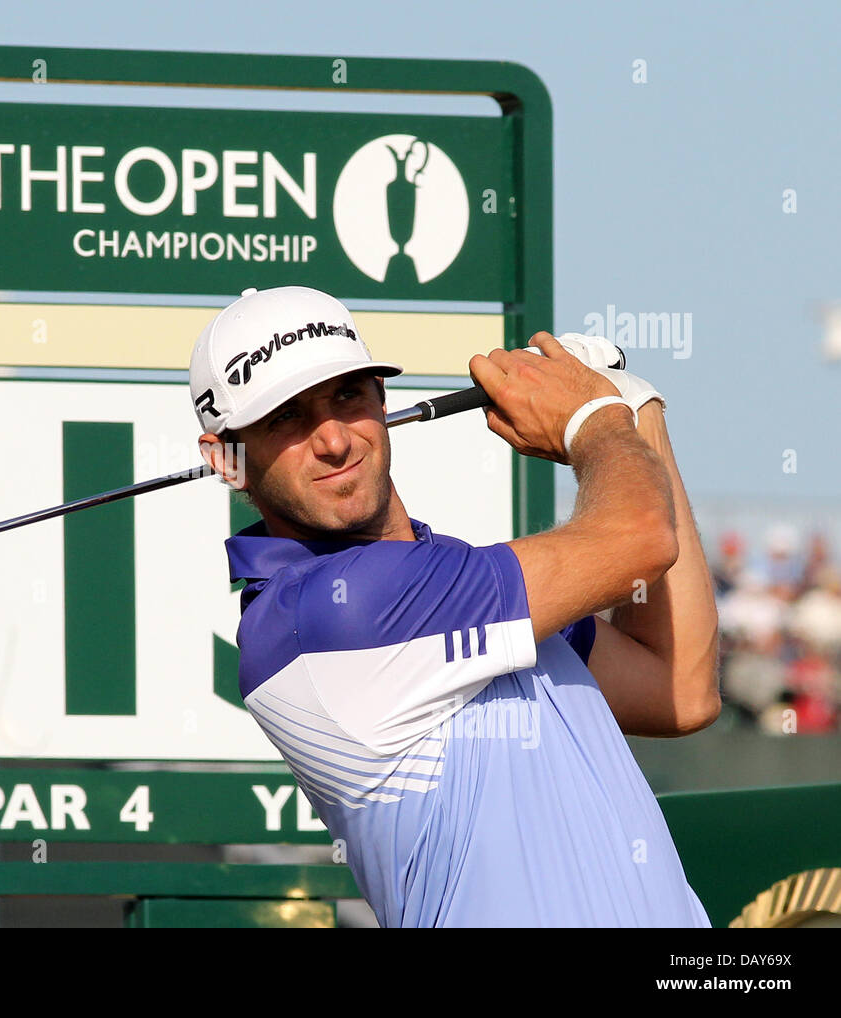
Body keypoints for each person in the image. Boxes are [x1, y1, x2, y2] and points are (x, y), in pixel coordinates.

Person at [190, 285, 721, 928]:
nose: (332, 440)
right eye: (286, 419)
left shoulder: (462, 583)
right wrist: (595, 419)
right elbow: (640, 537)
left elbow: (679, 687)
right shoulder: (327, 613)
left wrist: (639, 412)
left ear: (382, 401)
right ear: (225, 457)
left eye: (348, 396)